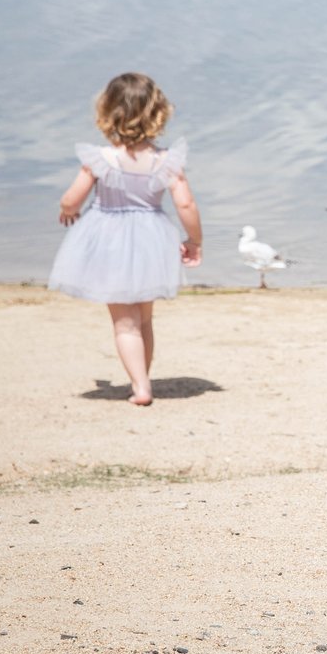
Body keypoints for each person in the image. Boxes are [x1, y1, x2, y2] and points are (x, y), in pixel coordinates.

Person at [49, 72, 202, 406]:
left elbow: (72, 198)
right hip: (151, 239)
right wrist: (194, 241)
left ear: (108, 111)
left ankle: (141, 387)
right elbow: (186, 204)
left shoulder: (101, 160)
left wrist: (68, 209)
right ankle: (142, 378)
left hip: (110, 242)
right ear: (158, 112)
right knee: (144, 319)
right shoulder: (166, 161)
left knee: (124, 323)